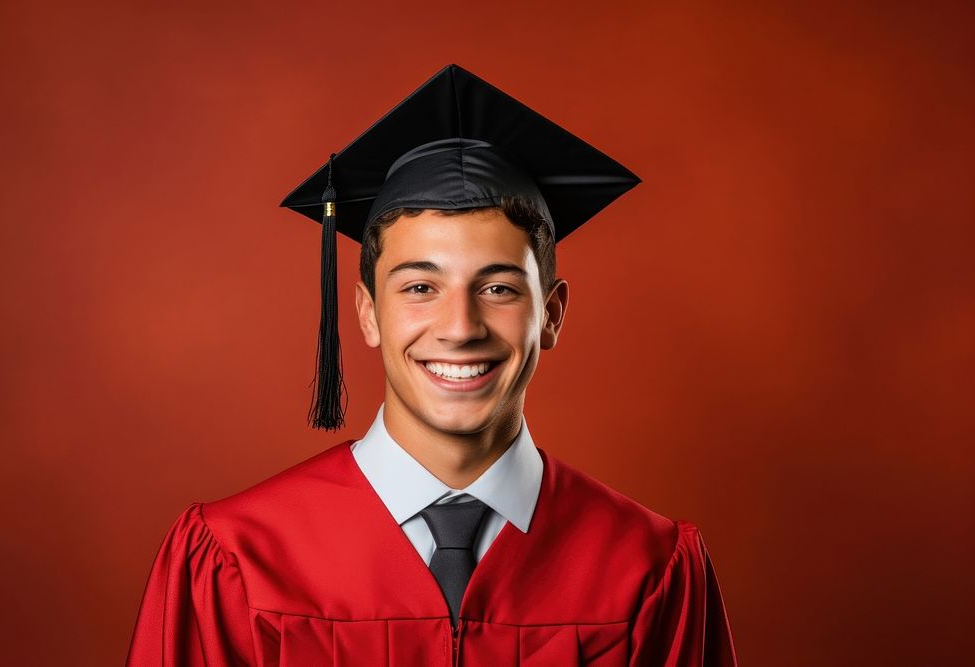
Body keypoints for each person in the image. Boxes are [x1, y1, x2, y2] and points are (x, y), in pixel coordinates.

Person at [126, 63, 738, 666]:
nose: (460, 327)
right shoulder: (236, 558)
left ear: (551, 315)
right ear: (367, 312)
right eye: (420, 287)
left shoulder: (649, 568)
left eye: (498, 288)